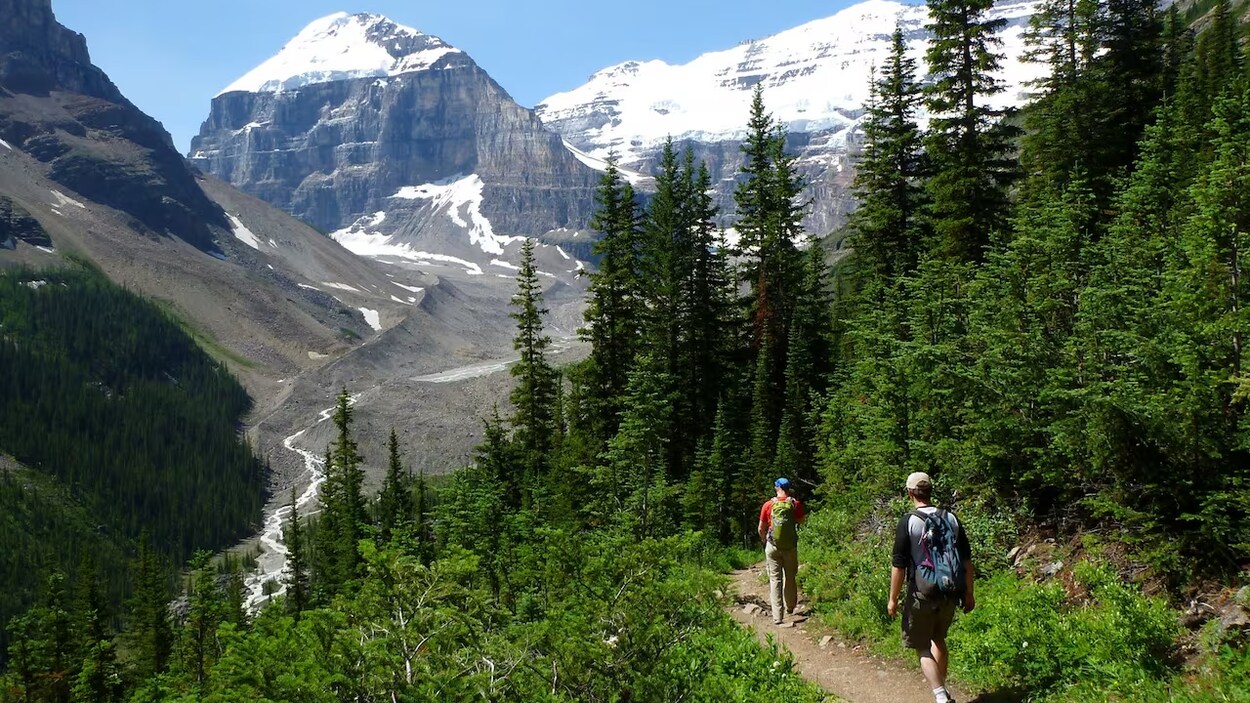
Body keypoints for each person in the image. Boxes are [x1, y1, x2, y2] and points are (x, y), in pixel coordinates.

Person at [888, 472, 975, 703]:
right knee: (939, 639)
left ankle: (940, 696)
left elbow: (899, 565)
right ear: (930, 491)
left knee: (922, 646)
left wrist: (893, 599)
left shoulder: (909, 521)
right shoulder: (951, 518)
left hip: (922, 593)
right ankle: (942, 689)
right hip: (950, 591)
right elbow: (967, 561)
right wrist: (969, 593)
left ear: (910, 493)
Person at [758, 477, 806, 625]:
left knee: (775, 579)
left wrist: (764, 540)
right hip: (790, 547)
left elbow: (761, 528)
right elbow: (802, 521)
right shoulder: (795, 504)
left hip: (772, 546)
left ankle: (777, 617)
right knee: (790, 577)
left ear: (777, 488)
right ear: (788, 489)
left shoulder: (768, 505)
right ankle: (790, 606)